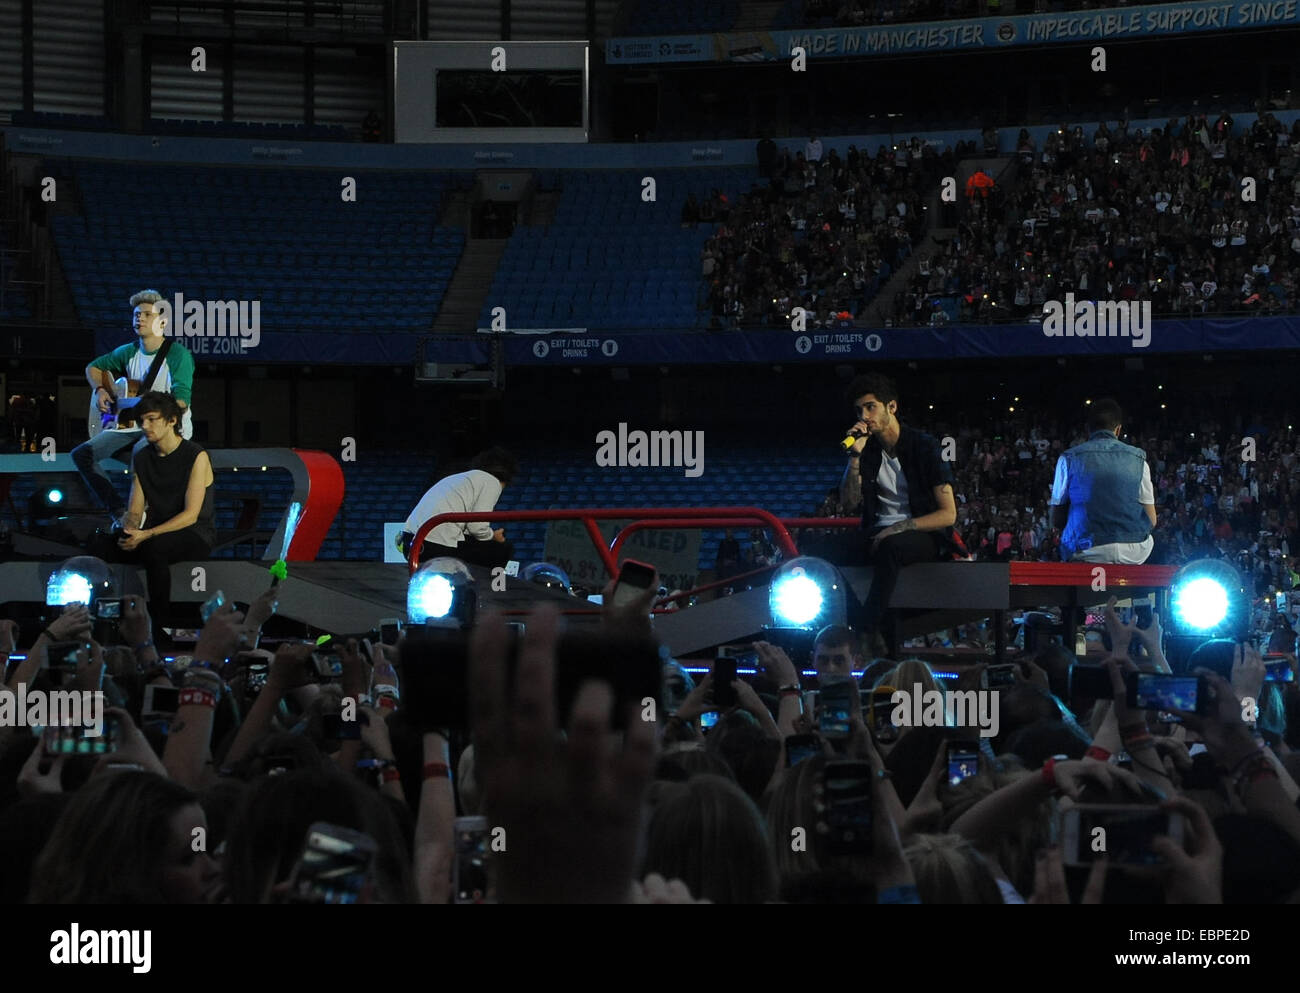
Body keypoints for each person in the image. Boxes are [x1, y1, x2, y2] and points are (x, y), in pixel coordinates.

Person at [840, 373, 965, 657]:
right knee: (819, 551)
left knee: (890, 546)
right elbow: (848, 504)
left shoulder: (924, 446)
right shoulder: (867, 450)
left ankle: (865, 630)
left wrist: (898, 529)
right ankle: (860, 623)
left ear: (891, 407)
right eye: (859, 410)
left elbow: (948, 515)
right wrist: (854, 457)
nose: (864, 416)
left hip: (923, 534)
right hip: (878, 531)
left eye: (871, 407)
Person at [86, 391, 214, 647]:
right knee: (100, 544)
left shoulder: (196, 455)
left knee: (155, 550)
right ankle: (100, 625)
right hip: (153, 532)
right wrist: (130, 530)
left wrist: (146, 535)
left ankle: (160, 629)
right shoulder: (142, 456)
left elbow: (191, 515)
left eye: (152, 419)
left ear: (172, 421)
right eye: (142, 420)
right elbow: (135, 508)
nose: (145, 426)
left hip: (194, 532)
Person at [73, 289, 195, 526]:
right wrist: (100, 390)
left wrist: (151, 408)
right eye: (137, 314)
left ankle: (139, 517)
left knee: (141, 454)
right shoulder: (128, 351)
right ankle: (118, 512)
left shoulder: (179, 355)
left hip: (167, 429)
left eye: (147, 315)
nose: (139, 319)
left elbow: (181, 402)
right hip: (134, 427)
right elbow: (93, 368)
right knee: (82, 454)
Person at [1050, 398, 1156, 563]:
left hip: (1086, 550)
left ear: (1088, 429)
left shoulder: (1068, 458)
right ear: (1118, 430)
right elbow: (1152, 520)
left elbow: (1056, 519)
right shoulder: (1138, 458)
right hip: (1133, 551)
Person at [400, 448, 517, 569]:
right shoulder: (491, 481)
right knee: (503, 549)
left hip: (411, 544)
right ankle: (495, 587)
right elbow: (477, 528)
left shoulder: (457, 478)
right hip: (435, 546)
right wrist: (493, 536)